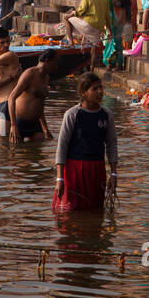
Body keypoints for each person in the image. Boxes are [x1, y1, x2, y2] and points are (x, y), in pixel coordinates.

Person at [53, 73, 118, 211]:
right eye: (95, 89)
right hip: (74, 170)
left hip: (97, 170)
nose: (100, 92)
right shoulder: (72, 115)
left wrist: (113, 173)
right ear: (83, 92)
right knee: (70, 211)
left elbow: (111, 144)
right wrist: (60, 178)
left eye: (101, 87)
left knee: (94, 210)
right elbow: (62, 147)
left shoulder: (107, 115)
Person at [7, 49, 55, 143]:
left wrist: (45, 128)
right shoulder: (30, 74)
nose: (56, 66)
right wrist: (13, 125)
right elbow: (11, 97)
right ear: (47, 61)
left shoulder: (46, 77)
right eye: (55, 62)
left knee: (37, 154)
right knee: (17, 154)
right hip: (20, 122)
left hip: (36, 123)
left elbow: (40, 103)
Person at [69, 0, 113, 67]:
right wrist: (110, 29)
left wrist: (73, 13)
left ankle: (71, 42)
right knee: (94, 50)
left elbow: (82, 10)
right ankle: (91, 70)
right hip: (98, 29)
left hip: (88, 25)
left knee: (67, 19)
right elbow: (107, 16)